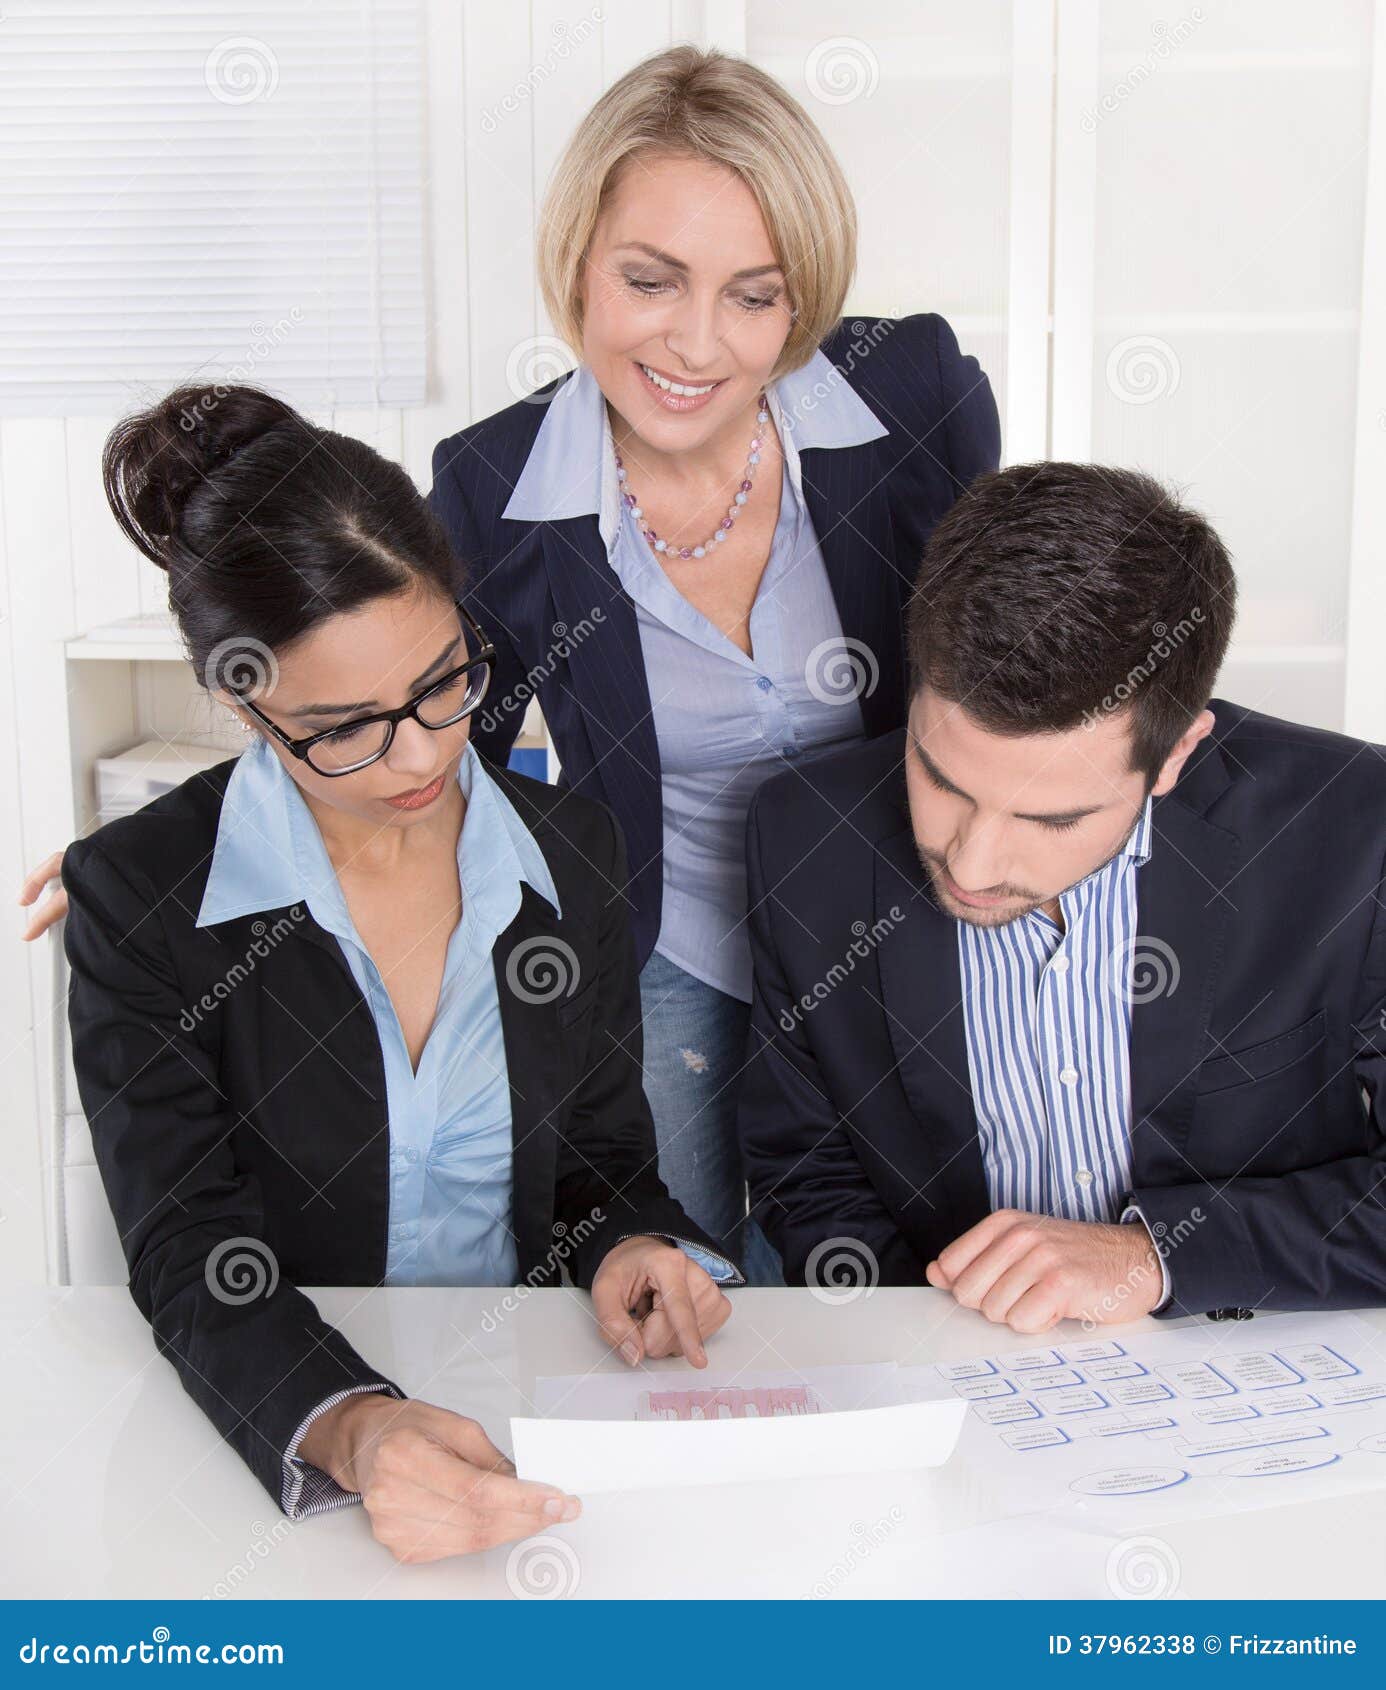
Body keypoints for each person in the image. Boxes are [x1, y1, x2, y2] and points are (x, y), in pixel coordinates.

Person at [63, 383, 739, 1564]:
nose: (424, 754)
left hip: (539, 1424)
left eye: (443, 681)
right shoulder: (143, 897)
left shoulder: (570, 849)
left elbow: (601, 1161)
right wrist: (358, 1428)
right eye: (345, 727)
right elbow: (187, 1248)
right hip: (278, 1443)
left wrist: (633, 1244)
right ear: (242, 697)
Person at [428, 46, 1000, 1274]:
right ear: (579, 257)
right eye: (651, 279)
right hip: (668, 958)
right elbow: (418, 734)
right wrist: (205, 836)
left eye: (755, 293)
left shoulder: (914, 401)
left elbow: (1035, 647)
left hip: (901, 934)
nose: (697, 344)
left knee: (917, 1288)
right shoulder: (492, 485)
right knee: (686, 1285)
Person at [738, 461, 1386, 1331]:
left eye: (1051, 818)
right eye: (941, 778)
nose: (970, 863)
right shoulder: (801, 834)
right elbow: (805, 1170)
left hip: (1257, 1374)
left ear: (1177, 755)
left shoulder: (1348, 828)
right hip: (966, 1381)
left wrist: (1156, 1257)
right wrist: (942, 1339)